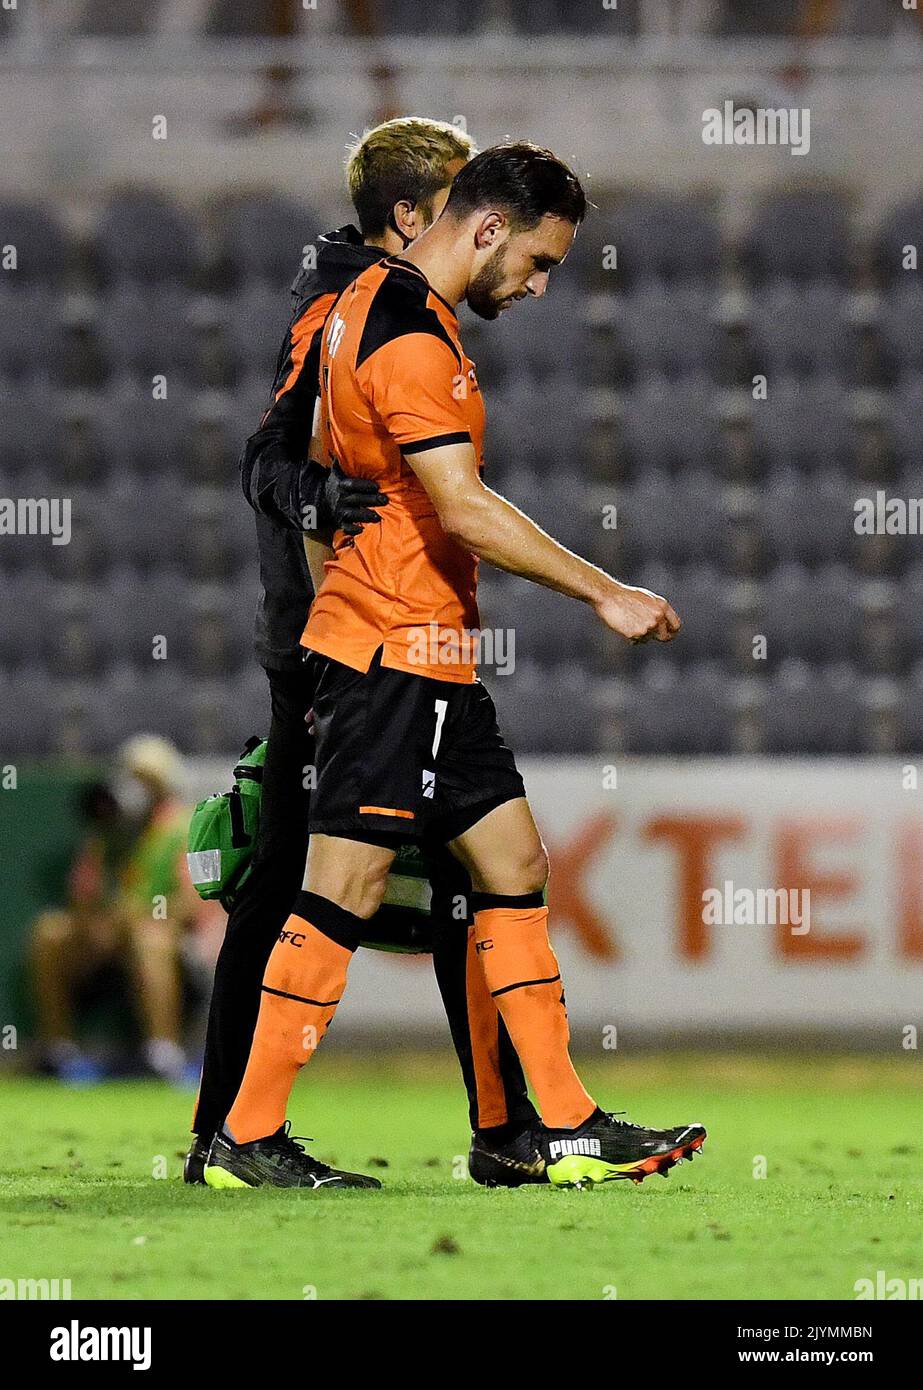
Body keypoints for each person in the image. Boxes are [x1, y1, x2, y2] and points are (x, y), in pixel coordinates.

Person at [206, 143, 707, 1192]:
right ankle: (245, 1137)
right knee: (339, 886)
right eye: (536, 262)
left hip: (418, 648)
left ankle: (551, 1123)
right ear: (484, 229)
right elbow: (462, 505)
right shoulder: (404, 333)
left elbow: (314, 478)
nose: (535, 286)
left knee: (511, 864)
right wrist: (601, 589)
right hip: (393, 651)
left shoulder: (363, 305)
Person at [187, 119, 541, 1189]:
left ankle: (501, 1125)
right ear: (411, 214)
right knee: (322, 880)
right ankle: (236, 1134)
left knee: (460, 876)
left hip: (382, 635)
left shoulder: (397, 304)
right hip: (339, 641)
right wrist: (313, 496)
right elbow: (262, 458)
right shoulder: (342, 304)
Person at [31, 736, 213, 1084]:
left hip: (172, 943)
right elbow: (82, 898)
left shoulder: (183, 827)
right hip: (109, 941)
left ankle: (164, 1052)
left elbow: (194, 901)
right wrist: (94, 926)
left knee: (149, 940)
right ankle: (60, 1051)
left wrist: (139, 919)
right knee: (49, 931)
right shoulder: (107, 834)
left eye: (146, 780)